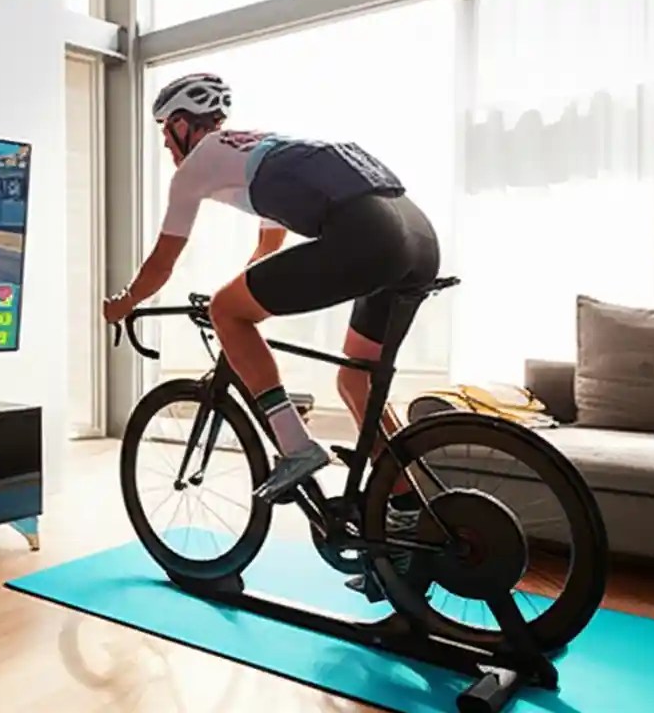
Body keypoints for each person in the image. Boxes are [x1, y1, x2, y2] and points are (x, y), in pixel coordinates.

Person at [100, 72, 440, 599]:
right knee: (356, 384)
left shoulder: (197, 165)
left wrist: (122, 303)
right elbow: (271, 239)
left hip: (370, 237)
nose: (166, 144)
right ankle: (408, 523)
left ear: (186, 125)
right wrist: (247, 284)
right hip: (414, 236)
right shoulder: (261, 145)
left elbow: (162, 263)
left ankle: (295, 446)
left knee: (225, 311)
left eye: (167, 131)